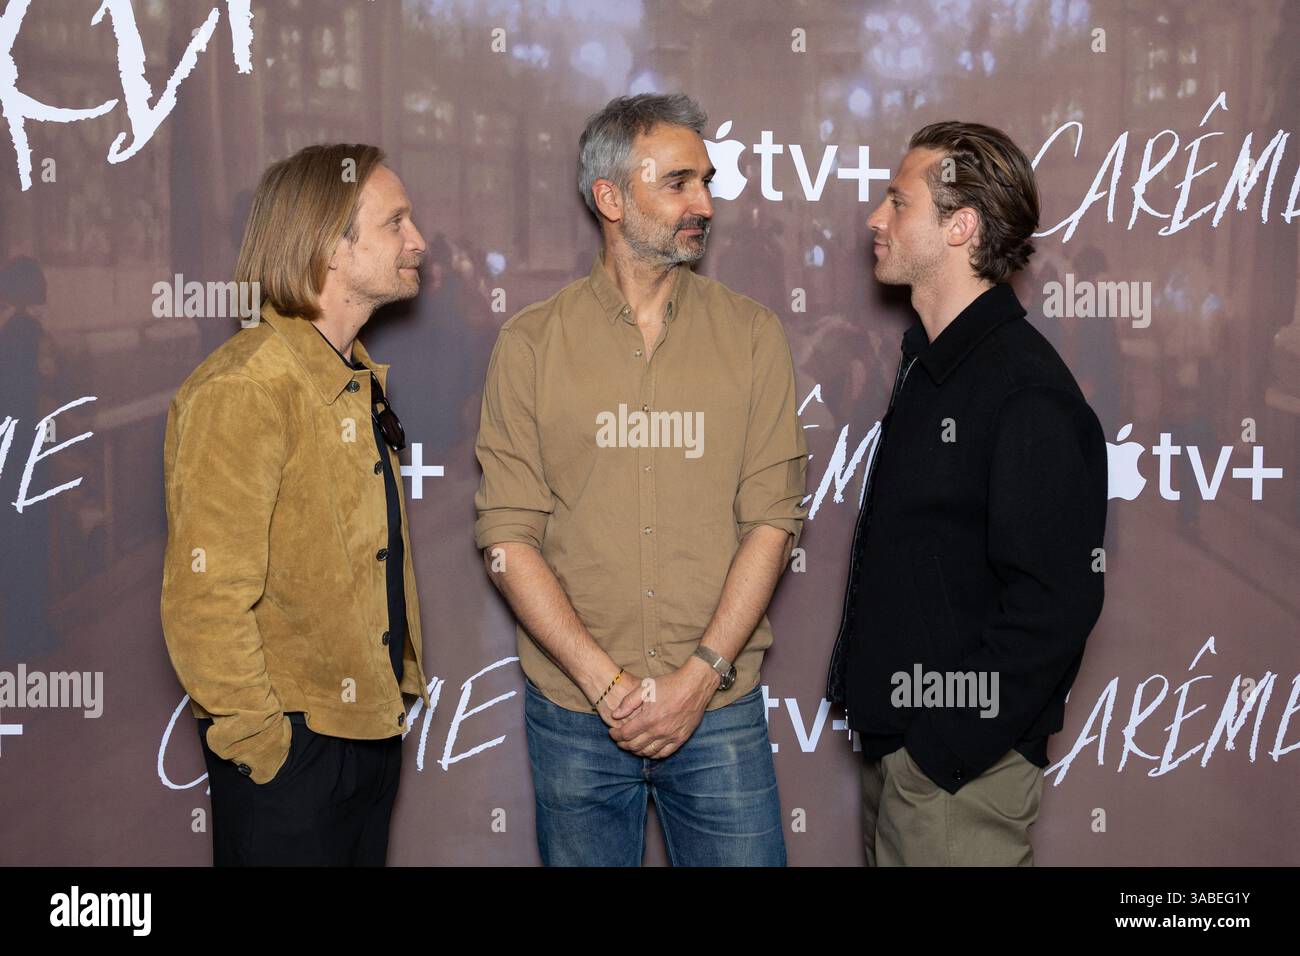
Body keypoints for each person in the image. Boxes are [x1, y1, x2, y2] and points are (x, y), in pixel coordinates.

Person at [474, 93, 807, 866]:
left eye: (708, 182)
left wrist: (696, 680)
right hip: (574, 716)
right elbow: (507, 534)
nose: (706, 204)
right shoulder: (529, 346)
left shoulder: (754, 337)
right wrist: (605, 685)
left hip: (718, 708)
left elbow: (772, 520)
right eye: (680, 183)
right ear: (611, 198)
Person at [826, 122, 1108, 866]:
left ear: (962, 226)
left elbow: (1053, 607)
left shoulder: (1023, 391)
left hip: (955, 778)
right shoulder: (935, 364)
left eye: (898, 202)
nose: (875, 221)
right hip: (909, 759)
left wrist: (939, 749)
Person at [161, 143, 431, 866]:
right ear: (331, 247)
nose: (418, 241)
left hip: (366, 735)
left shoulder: (354, 378)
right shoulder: (246, 387)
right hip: (296, 756)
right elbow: (205, 601)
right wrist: (267, 750)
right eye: (395, 222)